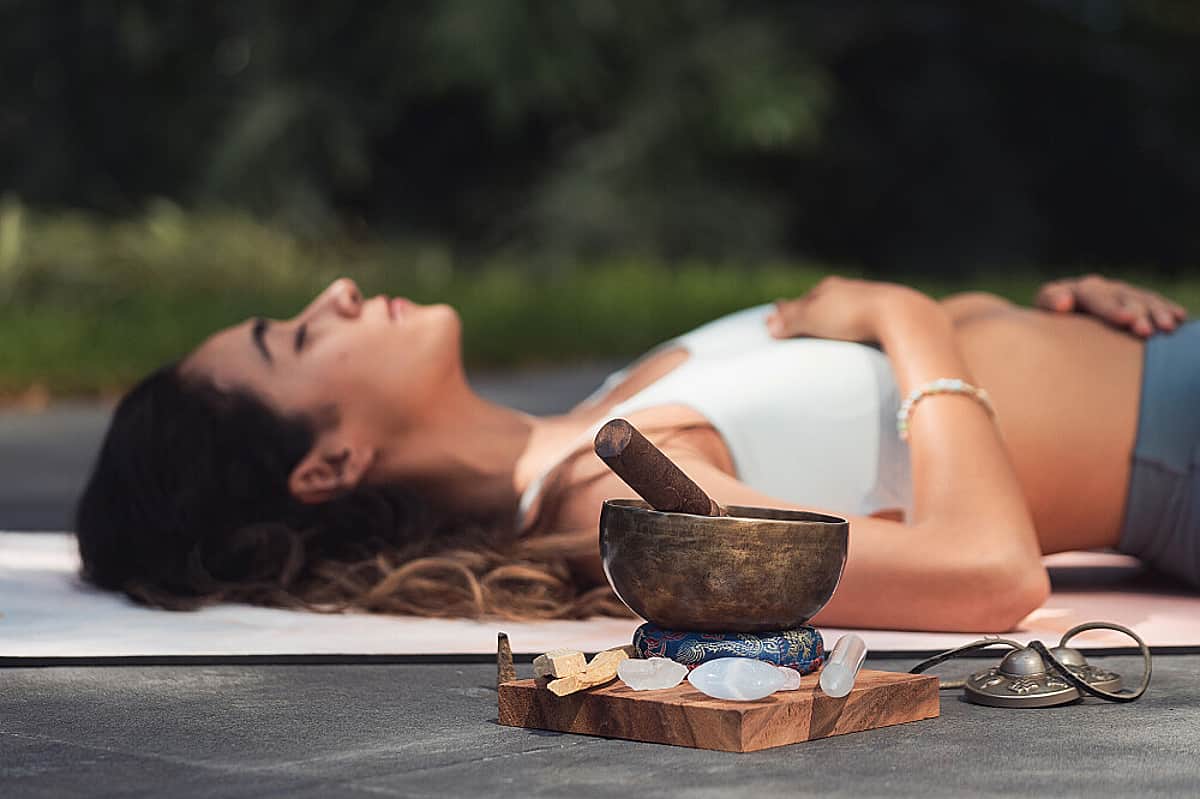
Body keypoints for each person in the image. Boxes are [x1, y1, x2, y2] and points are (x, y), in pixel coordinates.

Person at [76, 274, 1196, 631]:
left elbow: (862, 403)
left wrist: (1032, 313)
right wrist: (911, 316)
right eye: (295, 338)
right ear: (328, 465)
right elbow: (988, 573)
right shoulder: (617, 501)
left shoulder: (598, 413)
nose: (332, 293)